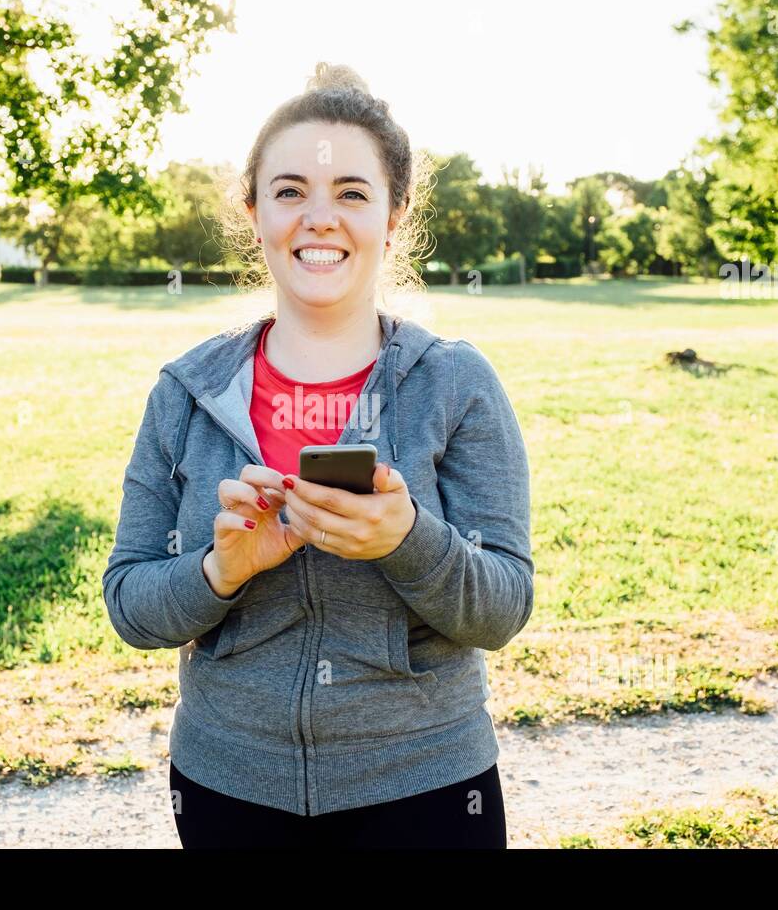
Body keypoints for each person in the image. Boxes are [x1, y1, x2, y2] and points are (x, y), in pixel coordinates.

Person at [102, 62, 534, 848]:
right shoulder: (185, 391)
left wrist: (409, 544)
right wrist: (220, 571)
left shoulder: (457, 385)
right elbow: (130, 601)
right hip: (227, 787)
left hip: (428, 787)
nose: (319, 218)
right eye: (291, 190)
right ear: (255, 210)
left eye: (353, 194)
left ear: (396, 215)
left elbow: (504, 606)